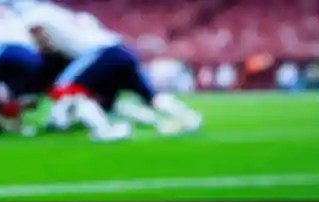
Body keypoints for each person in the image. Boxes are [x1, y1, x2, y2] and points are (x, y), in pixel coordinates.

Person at [21, 1, 201, 139]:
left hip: (101, 52)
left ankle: (105, 131)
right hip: (120, 49)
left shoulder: (36, 14)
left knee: (65, 88)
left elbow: (41, 40)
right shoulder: (62, 13)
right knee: (149, 97)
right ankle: (188, 117)